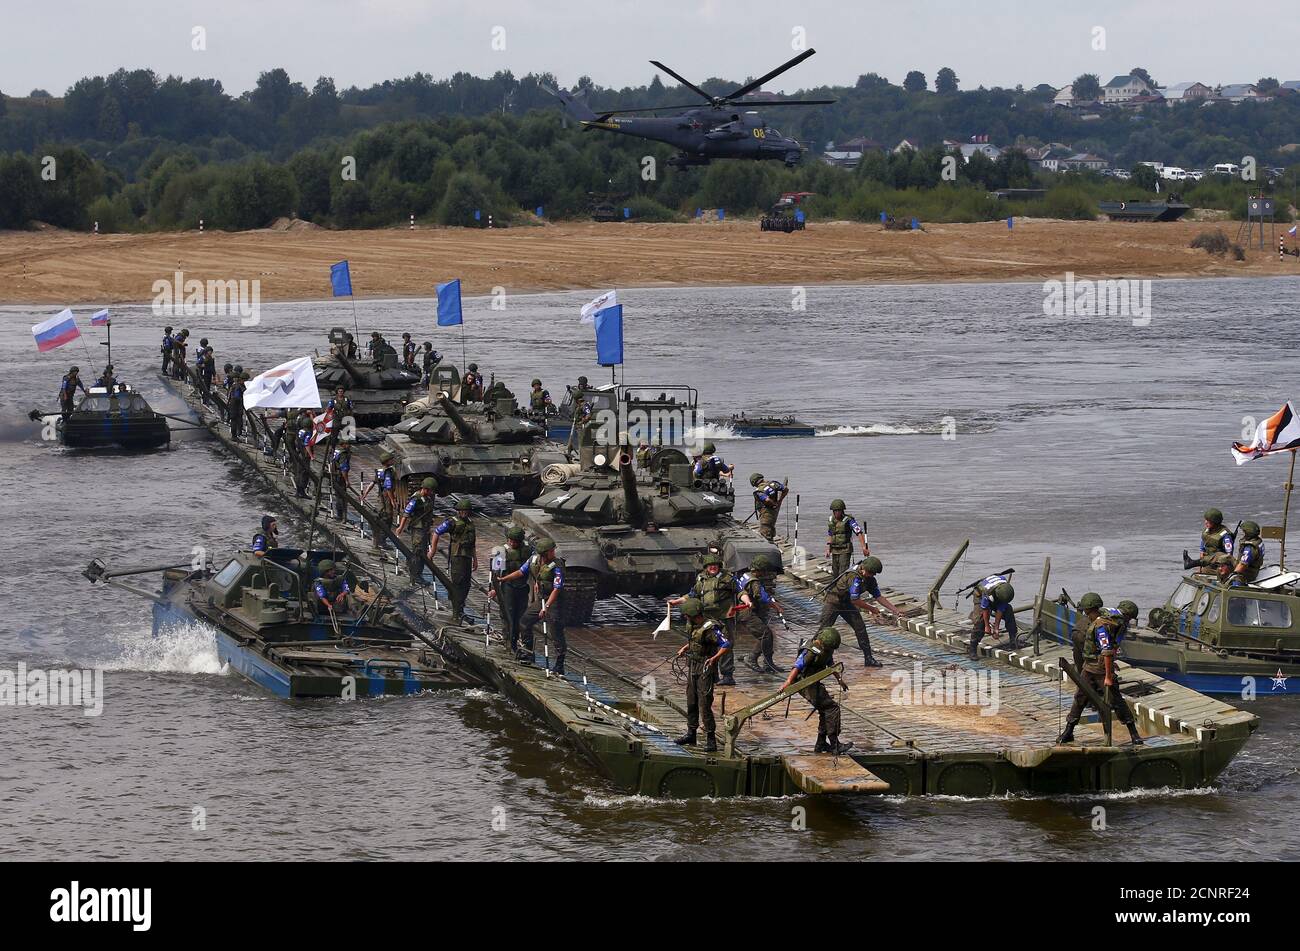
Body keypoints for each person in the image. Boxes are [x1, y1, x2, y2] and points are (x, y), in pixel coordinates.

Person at [1057, 592, 1144, 746]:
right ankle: (1069, 731)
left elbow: (1108, 651)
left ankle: (1133, 733)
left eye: (1087, 612)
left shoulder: (1102, 625)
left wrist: (1109, 676)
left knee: (1115, 700)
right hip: (1088, 666)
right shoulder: (1113, 620)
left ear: (1094, 610)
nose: (1086, 615)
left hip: (1100, 668)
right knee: (1080, 698)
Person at [670, 553, 750, 686]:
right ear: (706, 567)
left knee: (725, 645)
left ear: (719, 566)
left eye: (715, 565)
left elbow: (740, 591)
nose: (713, 568)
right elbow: (692, 594)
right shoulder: (701, 579)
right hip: (707, 617)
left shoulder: (728, 578)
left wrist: (746, 600)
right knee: (707, 645)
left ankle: (727, 675)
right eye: (710, 566)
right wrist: (676, 601)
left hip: (724, 616)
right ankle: (712, 674)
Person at [496, 536, 566, 672]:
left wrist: (546, 607)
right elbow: (521, 572)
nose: (554, 553)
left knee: (555, 632)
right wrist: (504, 579)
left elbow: (557, 588)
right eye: (552, 551)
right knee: (524, 622)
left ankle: (559, 664)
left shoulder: (557, 566)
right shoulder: (533, 560)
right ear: (545, 553)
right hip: (542, 600)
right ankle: (528, 652)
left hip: (554, 602)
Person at [818, 557, 900, 668]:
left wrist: (894, 609)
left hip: (846, 604)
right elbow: (855, 599)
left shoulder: (870, 579)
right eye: (871, 572)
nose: (872, 575)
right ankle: (815, 656)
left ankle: (868, 658)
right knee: (824, 630)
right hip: (833, 601)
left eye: (874, 574)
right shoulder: (854, 577)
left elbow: (878, 596)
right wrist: (871, 609)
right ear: (863, 568)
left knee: (860, 628)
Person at [672, 597, 731, 753]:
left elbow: (725, 644)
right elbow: (695, 640)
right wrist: (685, 648)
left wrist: (714, 658)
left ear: (693, 614)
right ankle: (691, 733)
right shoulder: (693, 625)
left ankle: (711, 739)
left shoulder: (710, 628)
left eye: (686, 615)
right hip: (693, 665)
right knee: (691, 700)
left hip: (705, 667)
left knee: (704, 703)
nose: (685, 617)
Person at [781, 628, 853, 754]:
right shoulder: (811, 651)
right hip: (804, 684)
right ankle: (835, 744)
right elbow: (798, 665)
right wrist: (788, 682)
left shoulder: (826, 650)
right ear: (823, 643)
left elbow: (831, 664)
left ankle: (821, 744)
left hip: (813, 682)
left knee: (825, 709)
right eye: (829, 648)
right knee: (832, 708)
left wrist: (839, 679)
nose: (830, 651)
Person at [431, 498, 477, 623]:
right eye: (463, 511)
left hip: (466, 558)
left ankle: (460, 609)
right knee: (457, 584)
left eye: (467, 511)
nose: (465, 513)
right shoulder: (452, 522)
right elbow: (437, 532)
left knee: (466, 585)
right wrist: (433, 550)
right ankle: (456, 613)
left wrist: (475, 559)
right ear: (459, 511)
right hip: (457, 557)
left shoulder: (470, 524)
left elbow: (473, 544)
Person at [488, 526, 532, 656]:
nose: (512, 543)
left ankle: (522, 643)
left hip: (523, 587)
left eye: (515, 541)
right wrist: (494, 590)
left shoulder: (528, 551)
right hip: (508, 587)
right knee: (508, 616)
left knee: (521, 616)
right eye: (510, 540)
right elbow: (496, 573)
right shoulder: (501, 551)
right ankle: (509, 644)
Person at [740, 555, 783, 673]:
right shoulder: (754, 582)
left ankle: (768, 663)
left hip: (748, 612)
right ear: (760, 570)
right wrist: (775, 606)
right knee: (766, 635)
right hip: (748, 613)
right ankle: (751, 658)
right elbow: (761, 597)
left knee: (767, 635)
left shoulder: (746, 576)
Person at [397, 477, 439, 583]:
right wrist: (400, 527)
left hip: (424, 528)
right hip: (418, 529)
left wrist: (429, 527)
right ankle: (414, 575)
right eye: (430, 490)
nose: (431, 492)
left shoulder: (428, 498)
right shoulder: (416, 498)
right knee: (418, 551)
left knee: (423, 552)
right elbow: (406, 513)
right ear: (425, 489)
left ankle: (418, 574)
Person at [968, 573, 1018, 658]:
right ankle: (972, 648)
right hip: (980, 595)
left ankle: (1013, 639)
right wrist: (987, 626)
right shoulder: (987, 591)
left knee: (1008, 610)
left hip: (996, 594)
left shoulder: (1005, 589)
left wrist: (996, 628)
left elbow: (1001, 609)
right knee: (980, 620)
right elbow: (985, 609)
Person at [360, 450, 399, 550]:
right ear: (387, 462)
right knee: (388, 519)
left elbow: (372, 483)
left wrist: (365, 494)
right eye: (391, 459)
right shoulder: (388, 472)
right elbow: (388, 488)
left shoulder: (379, 472)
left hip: (380, 497)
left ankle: (379, 540)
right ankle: (382, 541)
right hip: (386, 497)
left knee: (381, 515)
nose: (393, 460)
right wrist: (392, 501)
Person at [826, 500, 869, 578]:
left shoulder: (849, 520)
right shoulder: (831, 520)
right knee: (835, 573)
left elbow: (859, 532)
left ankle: (843, 588)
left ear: (842, 511)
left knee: (842, 572)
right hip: (835, 550)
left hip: (845, 550)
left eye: (838, 511)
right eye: (835, 511)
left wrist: (864, 547)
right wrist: (828, 549)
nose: (836, 513)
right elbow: (830, 534)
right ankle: (837, 588)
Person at [1183, 508, 1234, 572]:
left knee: (1219, 555)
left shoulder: (1225, 535)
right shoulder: (1206, 532)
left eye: (1208, 521)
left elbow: (1229, 556)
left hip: (1220, 565)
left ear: (1215, 522)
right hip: (1207, 564)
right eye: (1205, 520)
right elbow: (1202, 550)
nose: (1205, 522)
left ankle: (1193, 563)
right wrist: (1200, 568)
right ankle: (1194, 564)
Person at [750, 473, 789, 543]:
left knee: (765, 532)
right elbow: (785, 489)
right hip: (774, 511)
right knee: (771, 528)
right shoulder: (773, 484)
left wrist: (773, 504)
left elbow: (766, 500)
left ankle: (770, 547)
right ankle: (772, 543)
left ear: (755, 483)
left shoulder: (759, 490)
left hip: (766, 513)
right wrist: (779, 501)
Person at [330, 440, 353, 521]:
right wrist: (347, 481)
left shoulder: (337, 451)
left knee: (338, 495)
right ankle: (342, 516)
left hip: (335, 475)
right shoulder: (343, 454)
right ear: (343, 445)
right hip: (340, 477)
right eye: (347, 444)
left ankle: (340, 515)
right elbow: (344, 469)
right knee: (341, 496)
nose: (349, 446)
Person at [228, 372, 247, 441]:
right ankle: (235, 436)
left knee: (237, 420)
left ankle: (237, 434)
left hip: (235, 405)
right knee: (235, 421)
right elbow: (236, 397)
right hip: (235, 406)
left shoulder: (237, 385)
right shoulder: (237, 386)